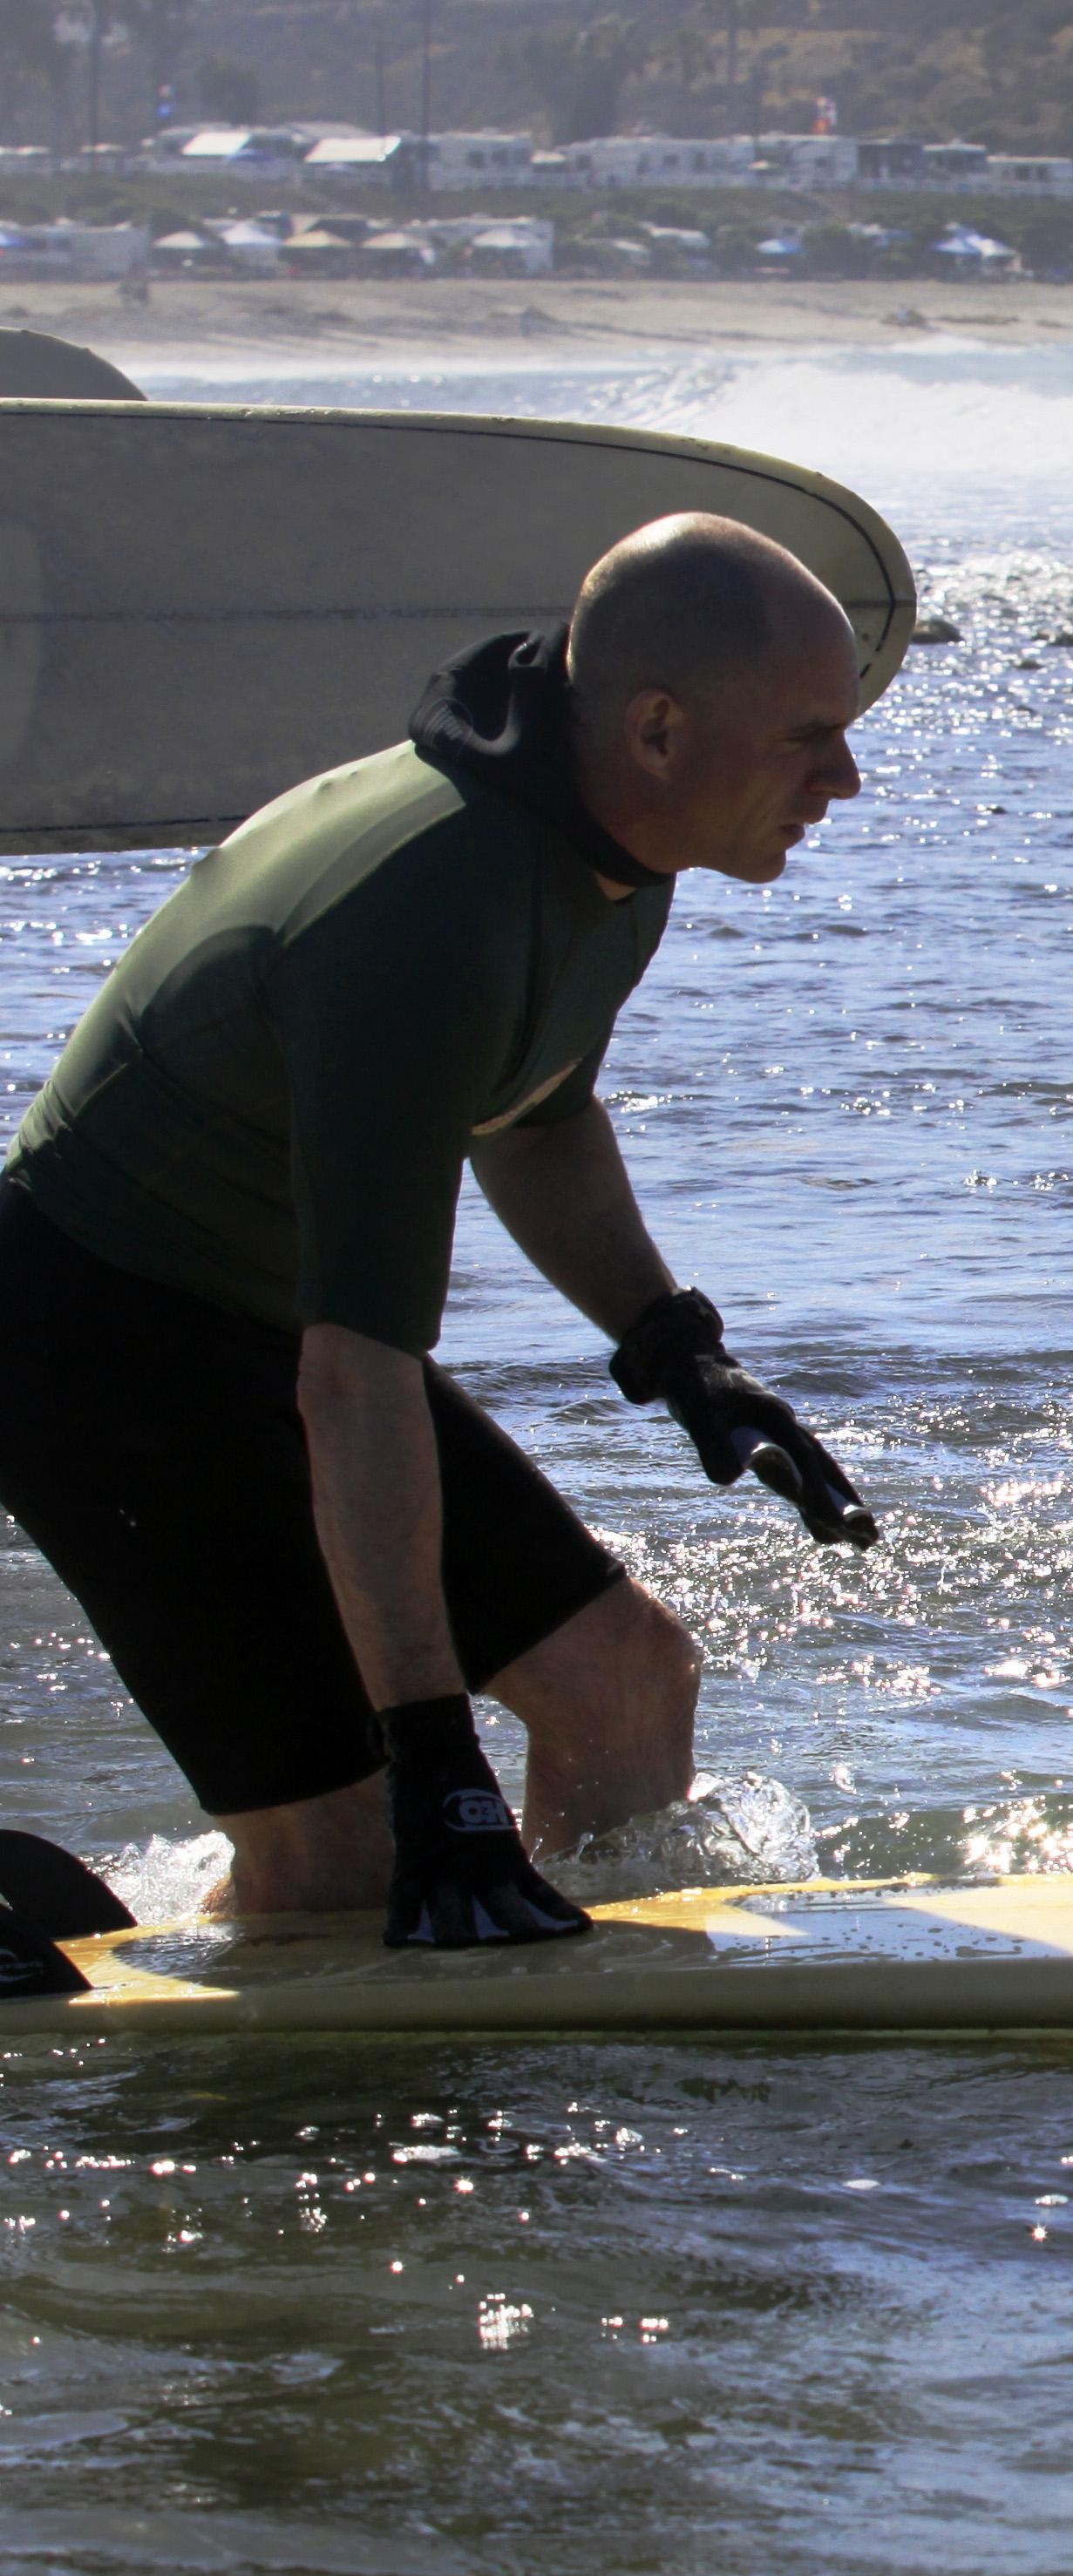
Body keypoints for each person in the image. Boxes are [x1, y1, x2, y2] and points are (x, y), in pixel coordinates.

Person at [0, 514, 879, 1946]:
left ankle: (562, 2080)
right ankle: (304, 2087)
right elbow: (356, 1383)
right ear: (658, 727)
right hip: (93, 1341)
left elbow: (533, 1115)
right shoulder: (429, 913)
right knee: (349, 1854)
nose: (846, 777)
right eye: (808, 738)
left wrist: (670, 1345)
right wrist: (434, 1756)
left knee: (625, 1686)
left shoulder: (612, 843)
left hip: (260, 1316)